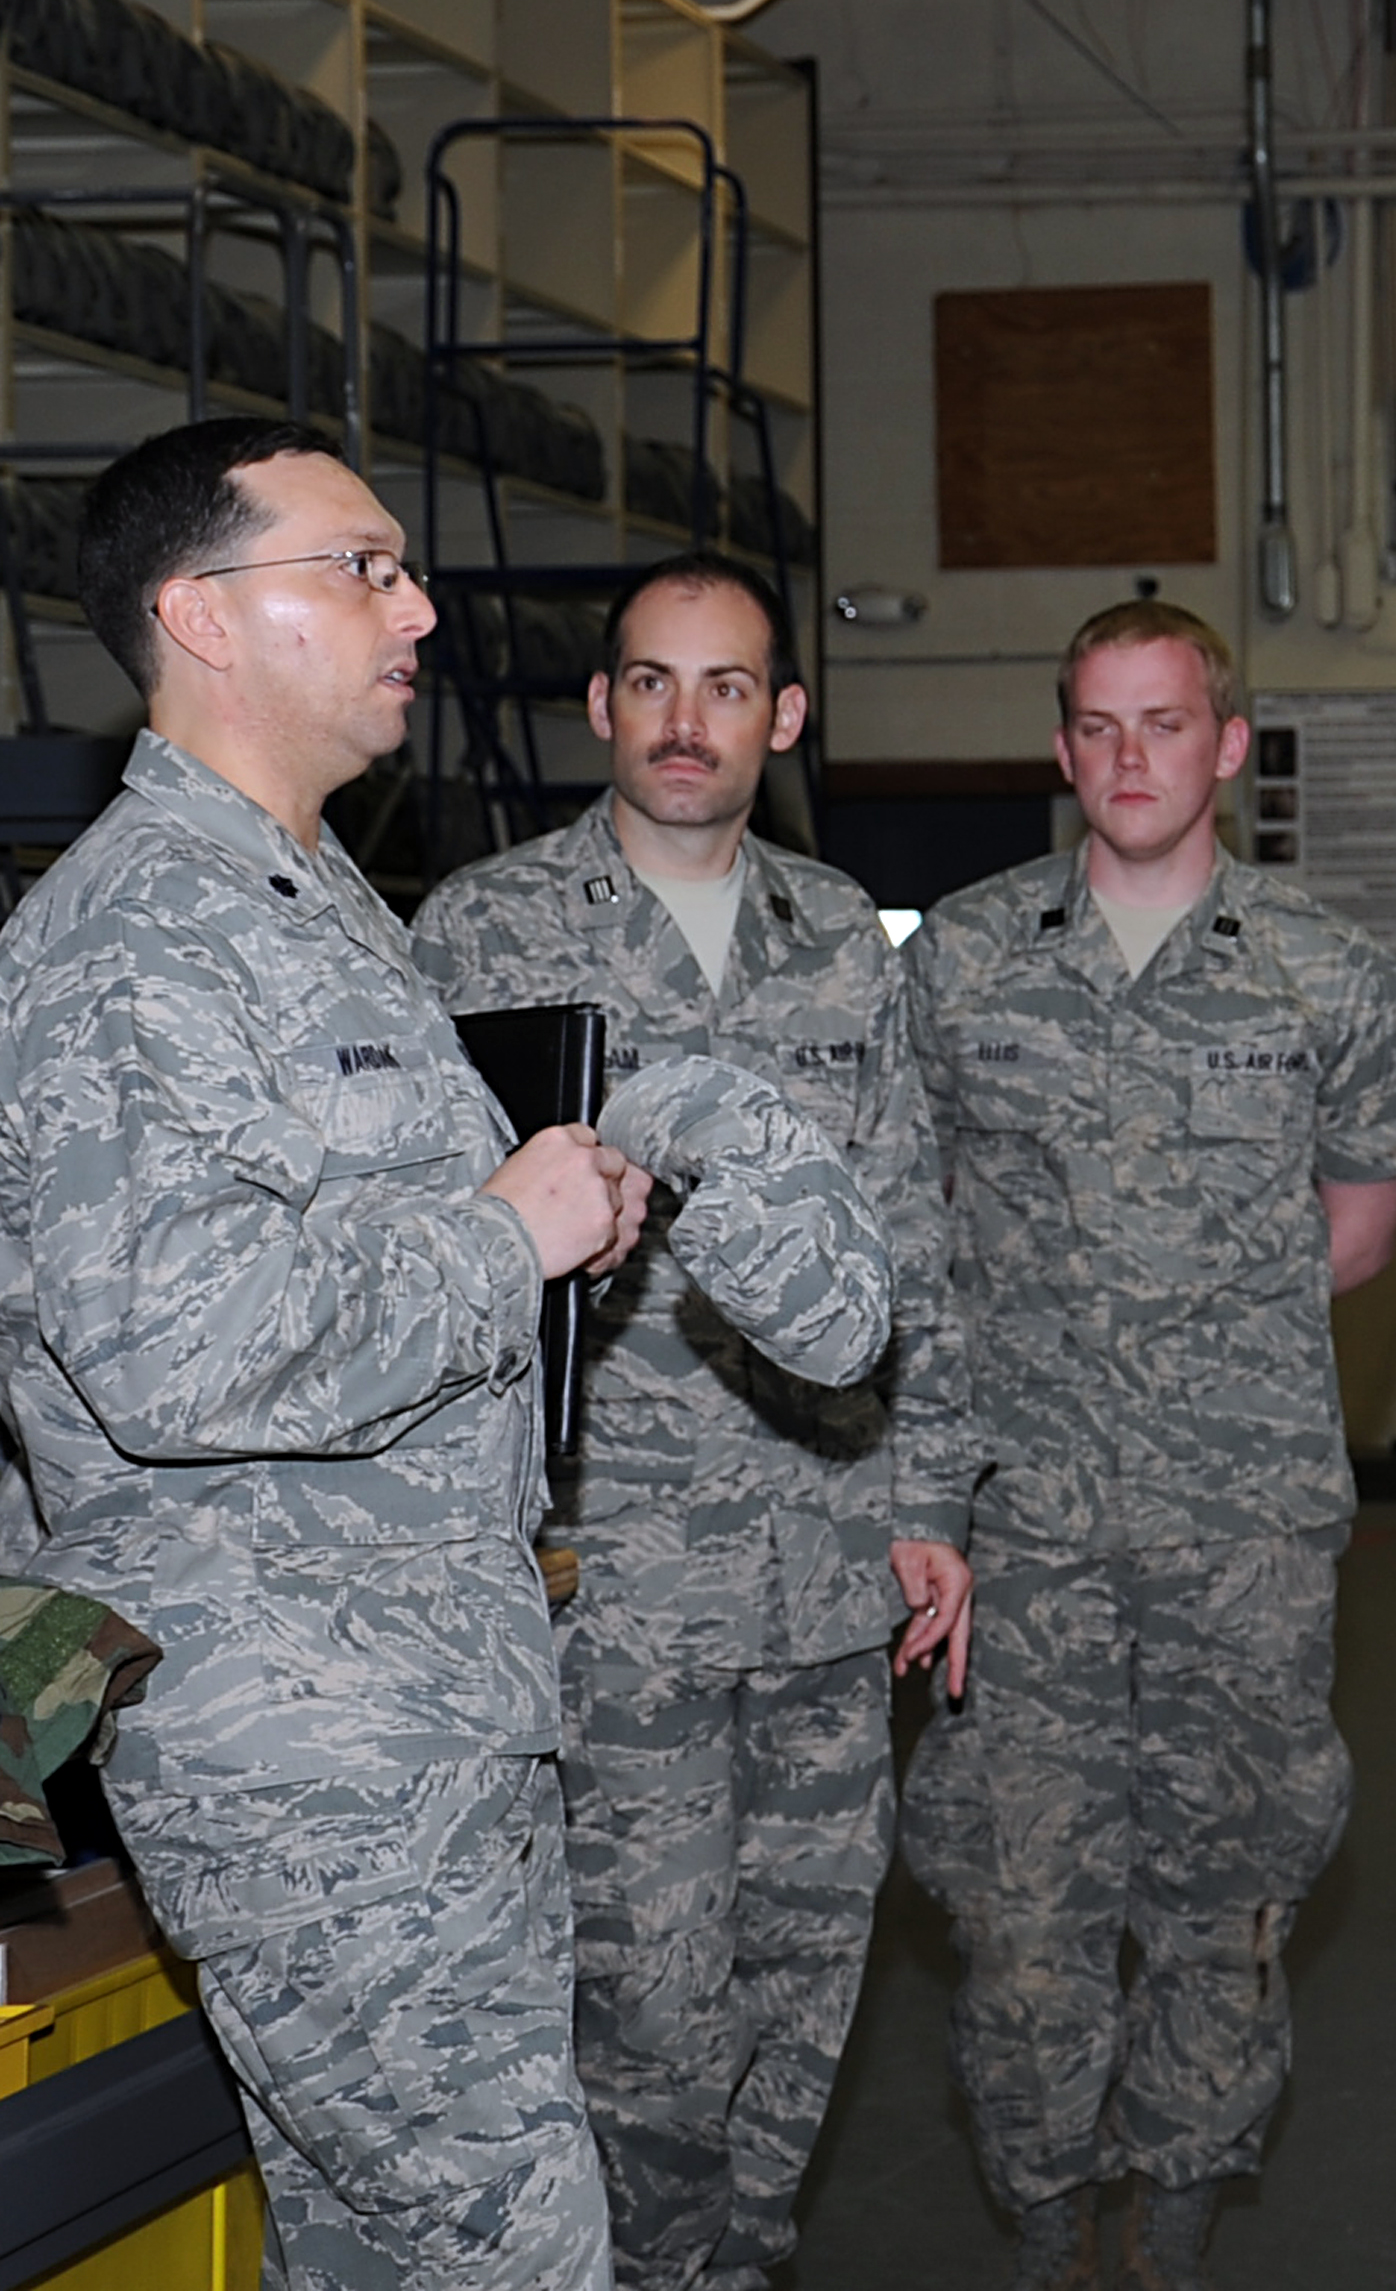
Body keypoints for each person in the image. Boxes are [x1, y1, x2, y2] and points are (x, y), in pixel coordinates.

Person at [0, 418, 650, 2288]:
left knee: (371, 2259)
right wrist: (498, 1235)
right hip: (307, 1756)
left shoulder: (314, 902)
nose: (418, 608)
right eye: (359, 568)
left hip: (412, 1718)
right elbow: (173, 1358)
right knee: (512, 2257)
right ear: (200, 615)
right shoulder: (138, 940)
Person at [410, 551, 975, 2291]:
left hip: (826, 1568)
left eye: (727, 686)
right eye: (651, 682)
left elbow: (915, 1237)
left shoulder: (845, 942)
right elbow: (430, 1251)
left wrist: (934, 1493)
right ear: (599, 706)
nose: (685, 720)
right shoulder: (484, 935)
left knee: (800, 1997)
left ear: (783, 716)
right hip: (609, 1573)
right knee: (646, 2014)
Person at [898, 600, 1396, 2291]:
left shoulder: (1324, 972)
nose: (1134, 758)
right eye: (1101, 728)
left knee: (1226, 1906)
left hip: (1244, 1528)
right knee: (1022, 1922)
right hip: (1024, 1533)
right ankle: (1058, 2241)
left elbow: (1357, 1236)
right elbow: (920, 1235)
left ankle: (1176, 2242)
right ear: (1065, 751)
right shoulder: (963, 963)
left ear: (1229, 746)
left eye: (1167, 724)